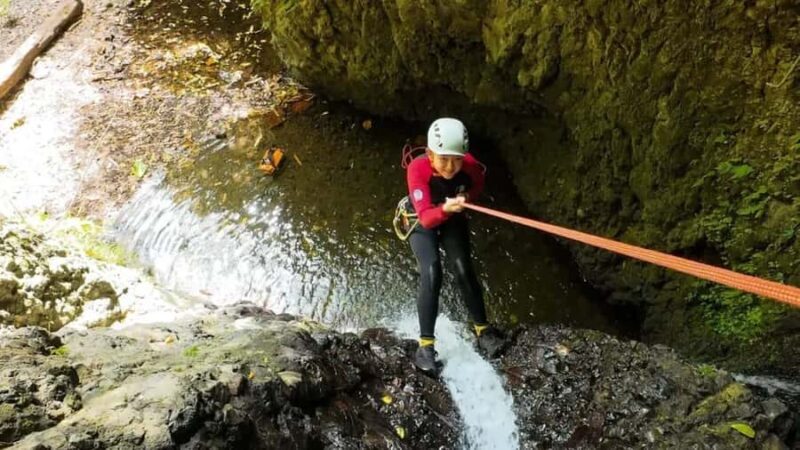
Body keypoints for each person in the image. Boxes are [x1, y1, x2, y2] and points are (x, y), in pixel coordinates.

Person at [405, 117, 506, 372]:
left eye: (456, 159)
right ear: (430, 154)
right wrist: (446, 208)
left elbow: (477, 185)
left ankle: (483, 330)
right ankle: (425, 346)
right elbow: (426, 218)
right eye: (444, 159)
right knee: (432, 271)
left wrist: (465, 197)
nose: (451, 167)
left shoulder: (469, 165)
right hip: (423, 216)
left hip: (452, 215)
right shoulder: (418, 169)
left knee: (463, 268)